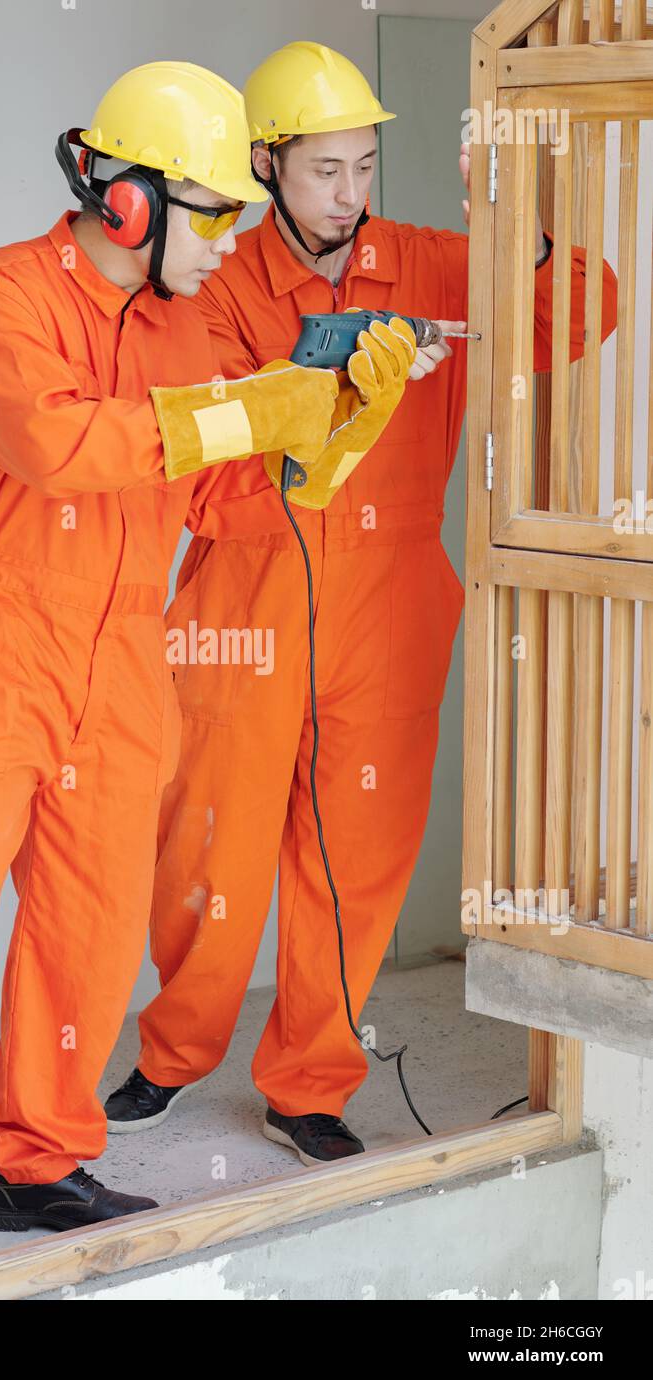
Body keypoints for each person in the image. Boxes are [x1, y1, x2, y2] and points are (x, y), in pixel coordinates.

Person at [0, 58, 383, 1298]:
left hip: (125, 656)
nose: (232, 238)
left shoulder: (187, 326)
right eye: (216, 210)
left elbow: (219, 498)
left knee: (85, 936)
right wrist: (245, 410)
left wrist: (331, 433)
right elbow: (60, 445)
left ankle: (30, 1158)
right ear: (126, 200)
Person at [105, 40, 619, 1165]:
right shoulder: (218, 278)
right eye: (324, 171)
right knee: (207, 842)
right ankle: (174, 1048)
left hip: (388, 599)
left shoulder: (433, 262)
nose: (347, 196)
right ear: (264, 165)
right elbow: (191, 469)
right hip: (246, 588)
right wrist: (328, 390)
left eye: (363, 168)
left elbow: (579, 314)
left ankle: (308, 1081)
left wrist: (519, 231)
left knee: (358, 852)